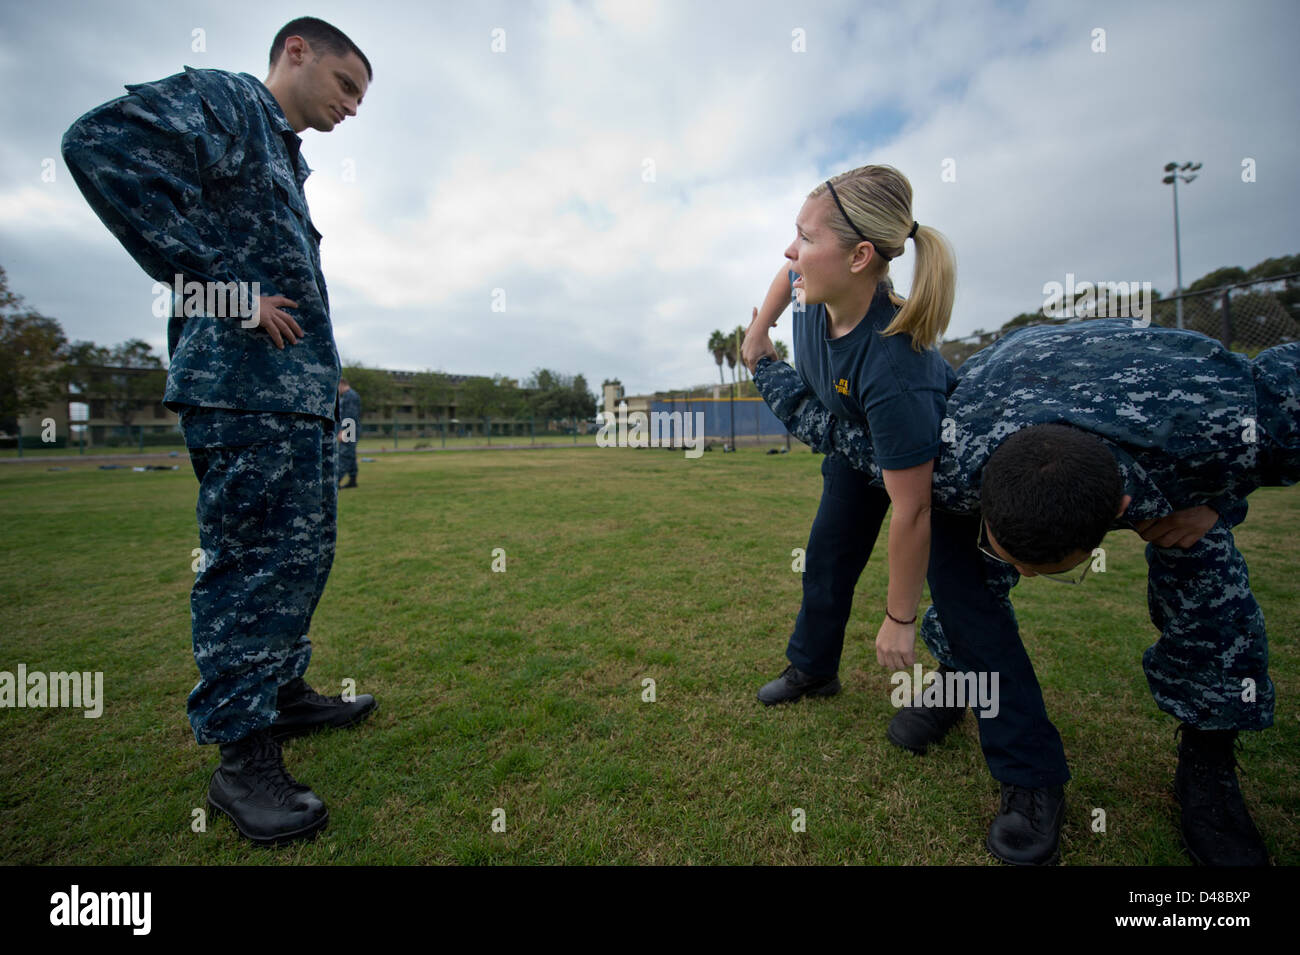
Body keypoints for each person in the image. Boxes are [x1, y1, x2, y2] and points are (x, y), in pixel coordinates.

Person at [753, 318, 1299, 865]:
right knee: (968, 584)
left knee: (1209, 586)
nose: (1028, 576)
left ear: (1119, 515)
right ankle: (964, 685)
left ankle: (1210, 764)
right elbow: (823, 424)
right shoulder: (950, 448)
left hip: (1159, 413)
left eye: (1047, 568)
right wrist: (762, 362)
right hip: (1010, 394)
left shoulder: (1236, 416)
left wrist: (1219, 499)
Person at [63, 17, 378, 846]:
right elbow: (95, 145)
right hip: (242, 394)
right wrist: (225, 290)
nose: (352, 107)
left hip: (290, 399)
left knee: (300, 556)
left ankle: (281, 693)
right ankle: (243, 759)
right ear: (296, 52)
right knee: (252, 567)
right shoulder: (229, 102)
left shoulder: (280, 151)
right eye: (346, 85)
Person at [741, 165, 957, 705]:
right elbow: (783, 276)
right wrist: (758, 331)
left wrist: (897, 617)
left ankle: (956, 685)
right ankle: (813, 671)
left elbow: (915, 508)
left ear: (860, 257)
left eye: (807, 238)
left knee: (957, 584)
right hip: (854, 453)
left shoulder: (895, 364)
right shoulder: (817, 287)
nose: (792, 251)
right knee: (826, 559)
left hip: (929, 469)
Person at [337, 378, 361, 488]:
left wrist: (344, 431)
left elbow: (350, 416)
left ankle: (336, 480)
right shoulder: (348, 396)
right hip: (350, 428)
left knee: (344, 454)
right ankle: (353, 480)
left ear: (341, 384)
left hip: (349, 428)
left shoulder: (350, 396)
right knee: (350, 455)